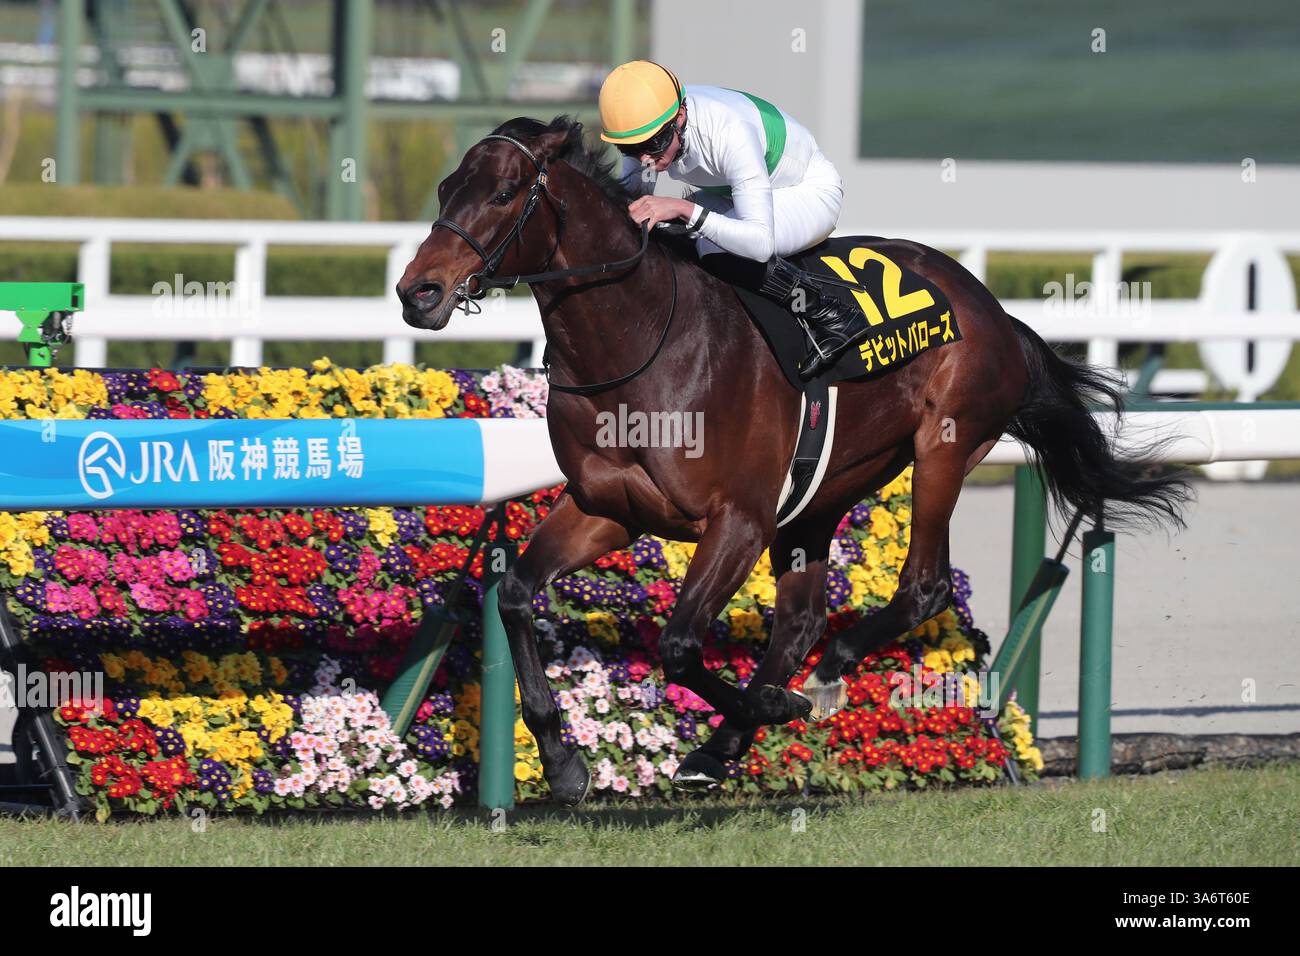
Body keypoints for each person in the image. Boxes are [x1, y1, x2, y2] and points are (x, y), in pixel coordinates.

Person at [599, 59, 870, 380]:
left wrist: (683, 209)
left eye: (652, 145)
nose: (644, 158)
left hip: (806, 191)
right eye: (629, 148)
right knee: (667, 232)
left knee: (712, 247)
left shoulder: (729, 131)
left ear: (681, 116)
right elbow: (631, 201)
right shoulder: (656, 127)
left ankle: (830, 313)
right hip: (738, 194)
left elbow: (758, 244)